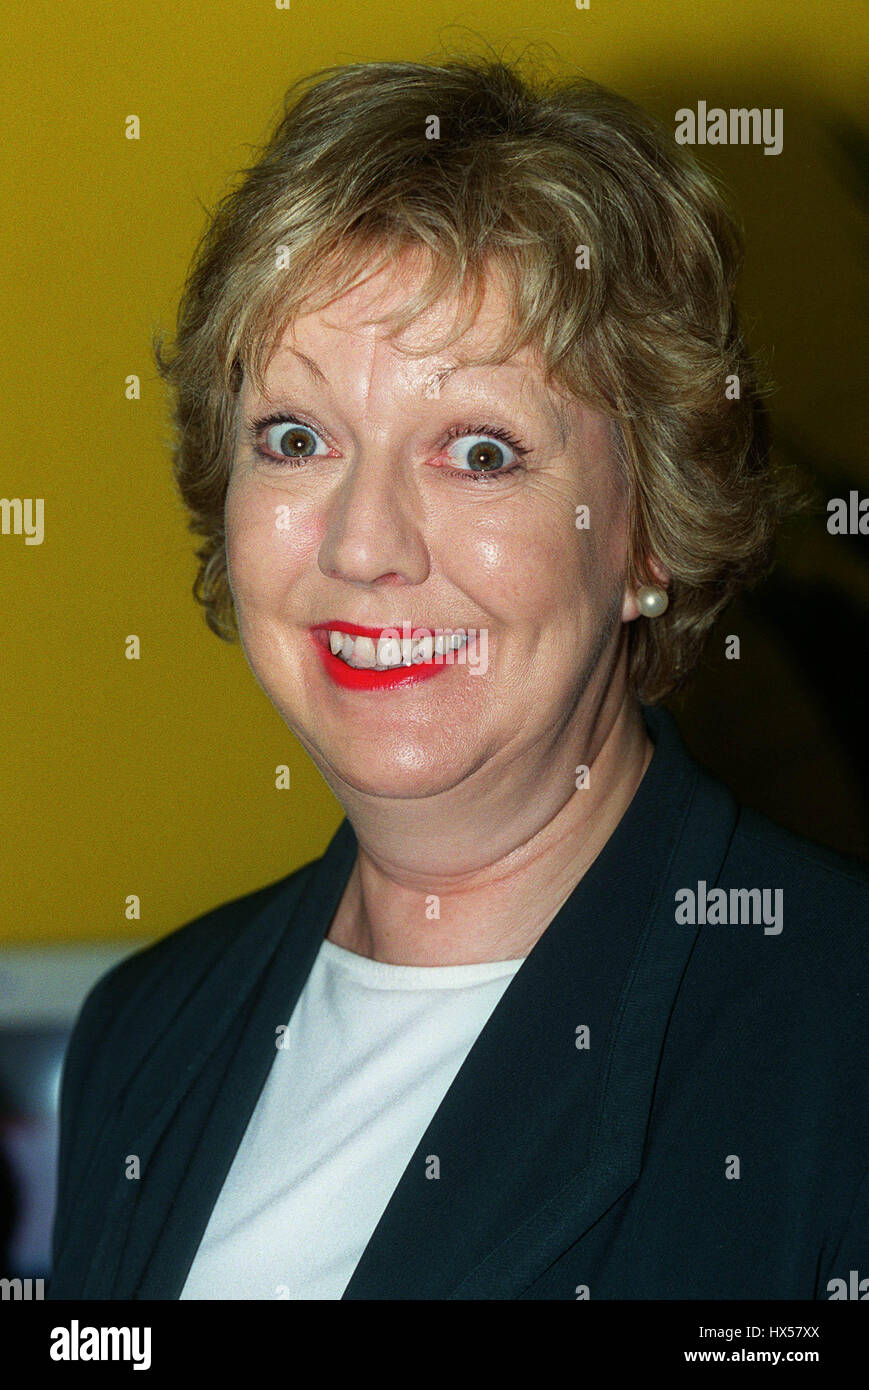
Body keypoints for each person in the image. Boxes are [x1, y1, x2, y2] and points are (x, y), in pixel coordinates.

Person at [49, 56, 868, 1301]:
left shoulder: (834, 1042)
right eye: (296, 438)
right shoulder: (145, 1033)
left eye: (478, 450)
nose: (362, 542)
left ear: (650, 532)